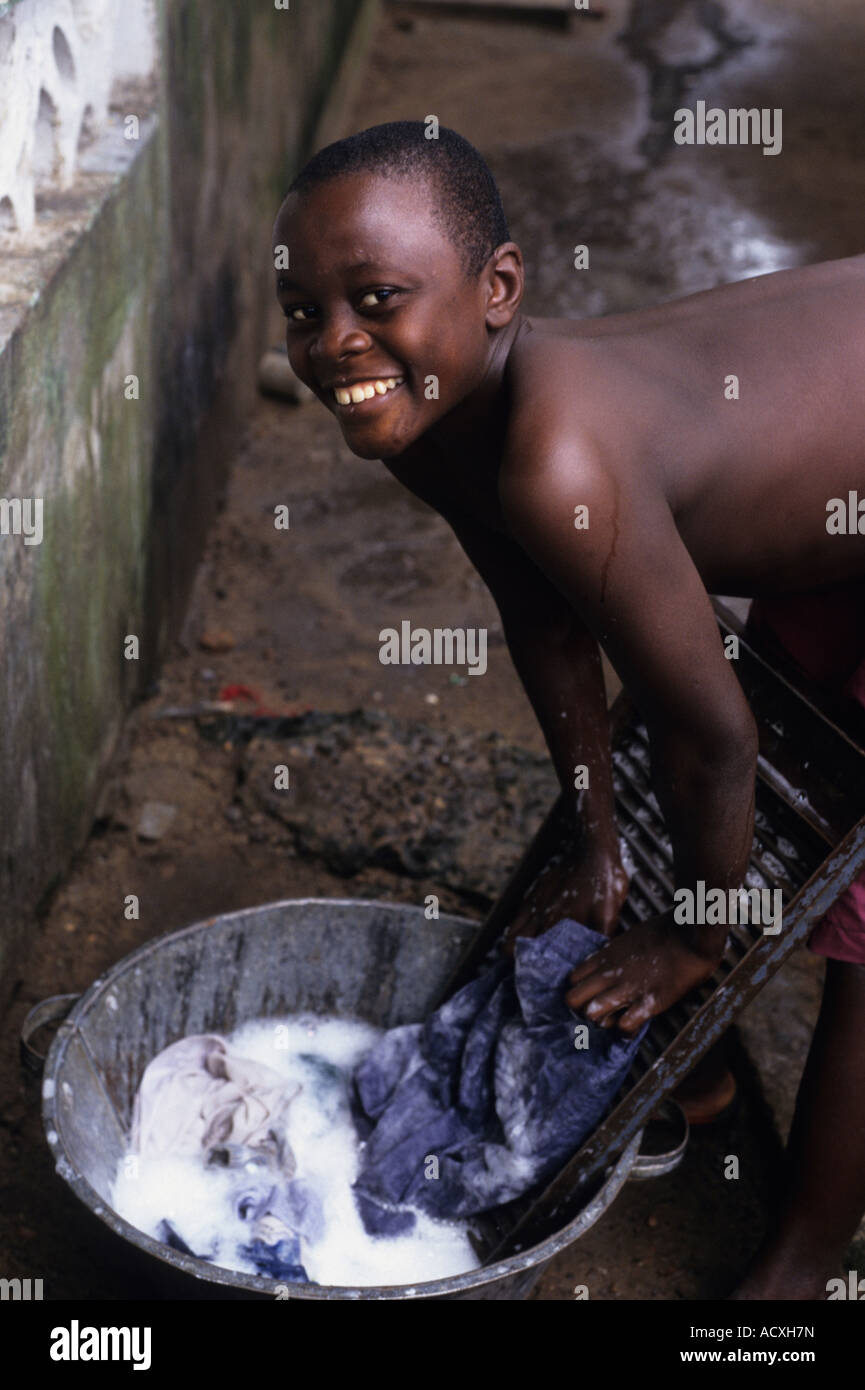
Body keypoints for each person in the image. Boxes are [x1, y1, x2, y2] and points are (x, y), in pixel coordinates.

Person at [271, 121, 865, 1298]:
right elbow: (542, 616)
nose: (335, 344)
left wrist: (695, 932)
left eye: (376, 298)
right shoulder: (424, 419)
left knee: (863, 908)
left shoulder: (559, 462)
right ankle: (695, 1078)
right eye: (302, 312)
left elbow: (712, 738)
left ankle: (801, 1259)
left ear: (498, 290)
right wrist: (597, 842)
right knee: (800, 701)